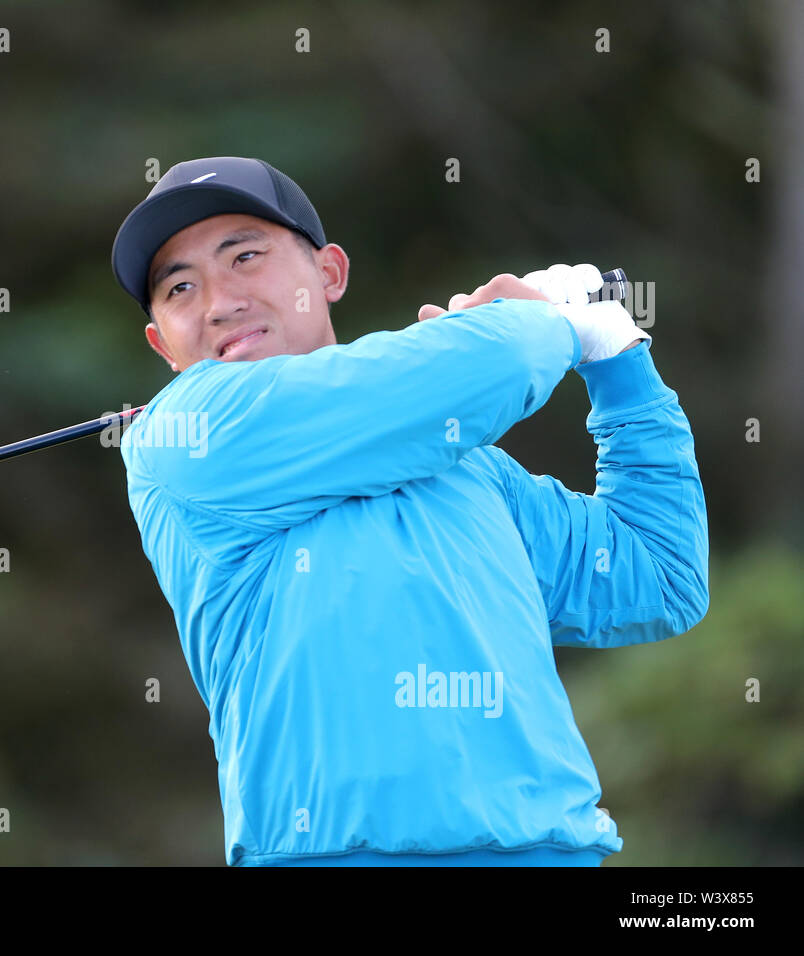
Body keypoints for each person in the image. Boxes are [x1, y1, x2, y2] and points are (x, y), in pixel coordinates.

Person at [109, 156, 710, 867]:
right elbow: (511, 352)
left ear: (329, 273)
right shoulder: (184, 434)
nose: (218, 301)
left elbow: (659, 575)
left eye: (245, 256)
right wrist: (544, 322)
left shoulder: (468, 464)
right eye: (179, 287)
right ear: (162, 345)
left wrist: (618, 359)